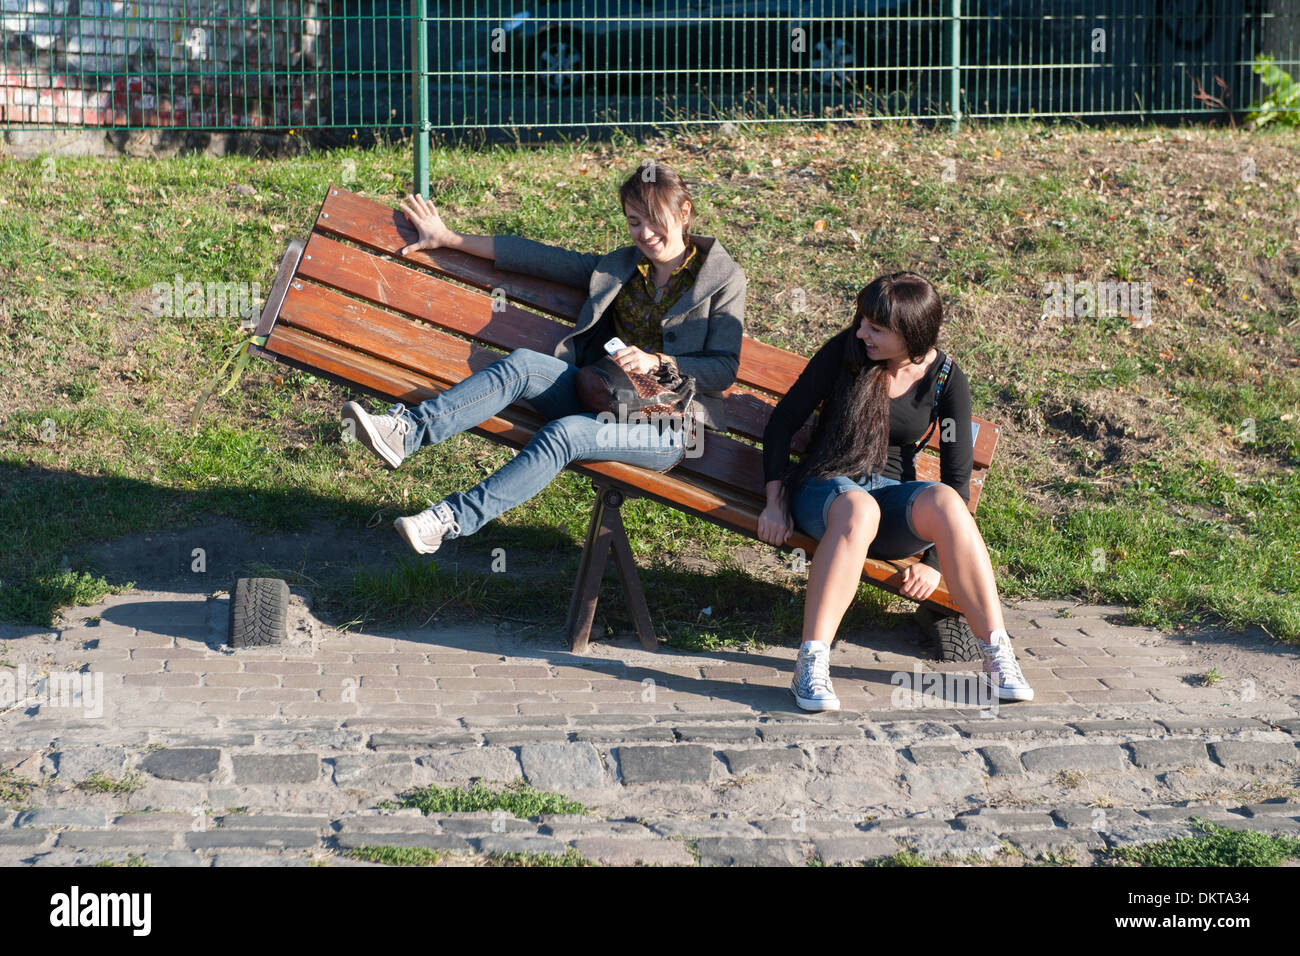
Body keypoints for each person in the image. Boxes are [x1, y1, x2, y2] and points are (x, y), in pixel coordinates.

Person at [341, 162, 746, 555]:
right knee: (523, 364)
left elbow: (723, 369)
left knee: (565, 434)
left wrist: (657, 360)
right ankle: (406, 432)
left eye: (654, 219)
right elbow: (541, 257)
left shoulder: (721, 279)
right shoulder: (622, 266)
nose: (645, 232)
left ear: (684, 211)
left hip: (666, 427)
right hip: (605, 396)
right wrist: (449, 238)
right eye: (634, 221)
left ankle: (448, 520)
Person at [758, 271, 1033, 711]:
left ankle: (999, 655)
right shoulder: (844, 353)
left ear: (912, 335)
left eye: (876, 328)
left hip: (891, 502)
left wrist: (934, 563)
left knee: (943, 501)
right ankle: (811, 664)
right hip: (829, 490)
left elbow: (957, 479)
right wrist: (773, 501)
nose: (862, 331)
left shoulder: (945, 379)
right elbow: (782, 423)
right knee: (858, 508)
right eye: (863, 320)